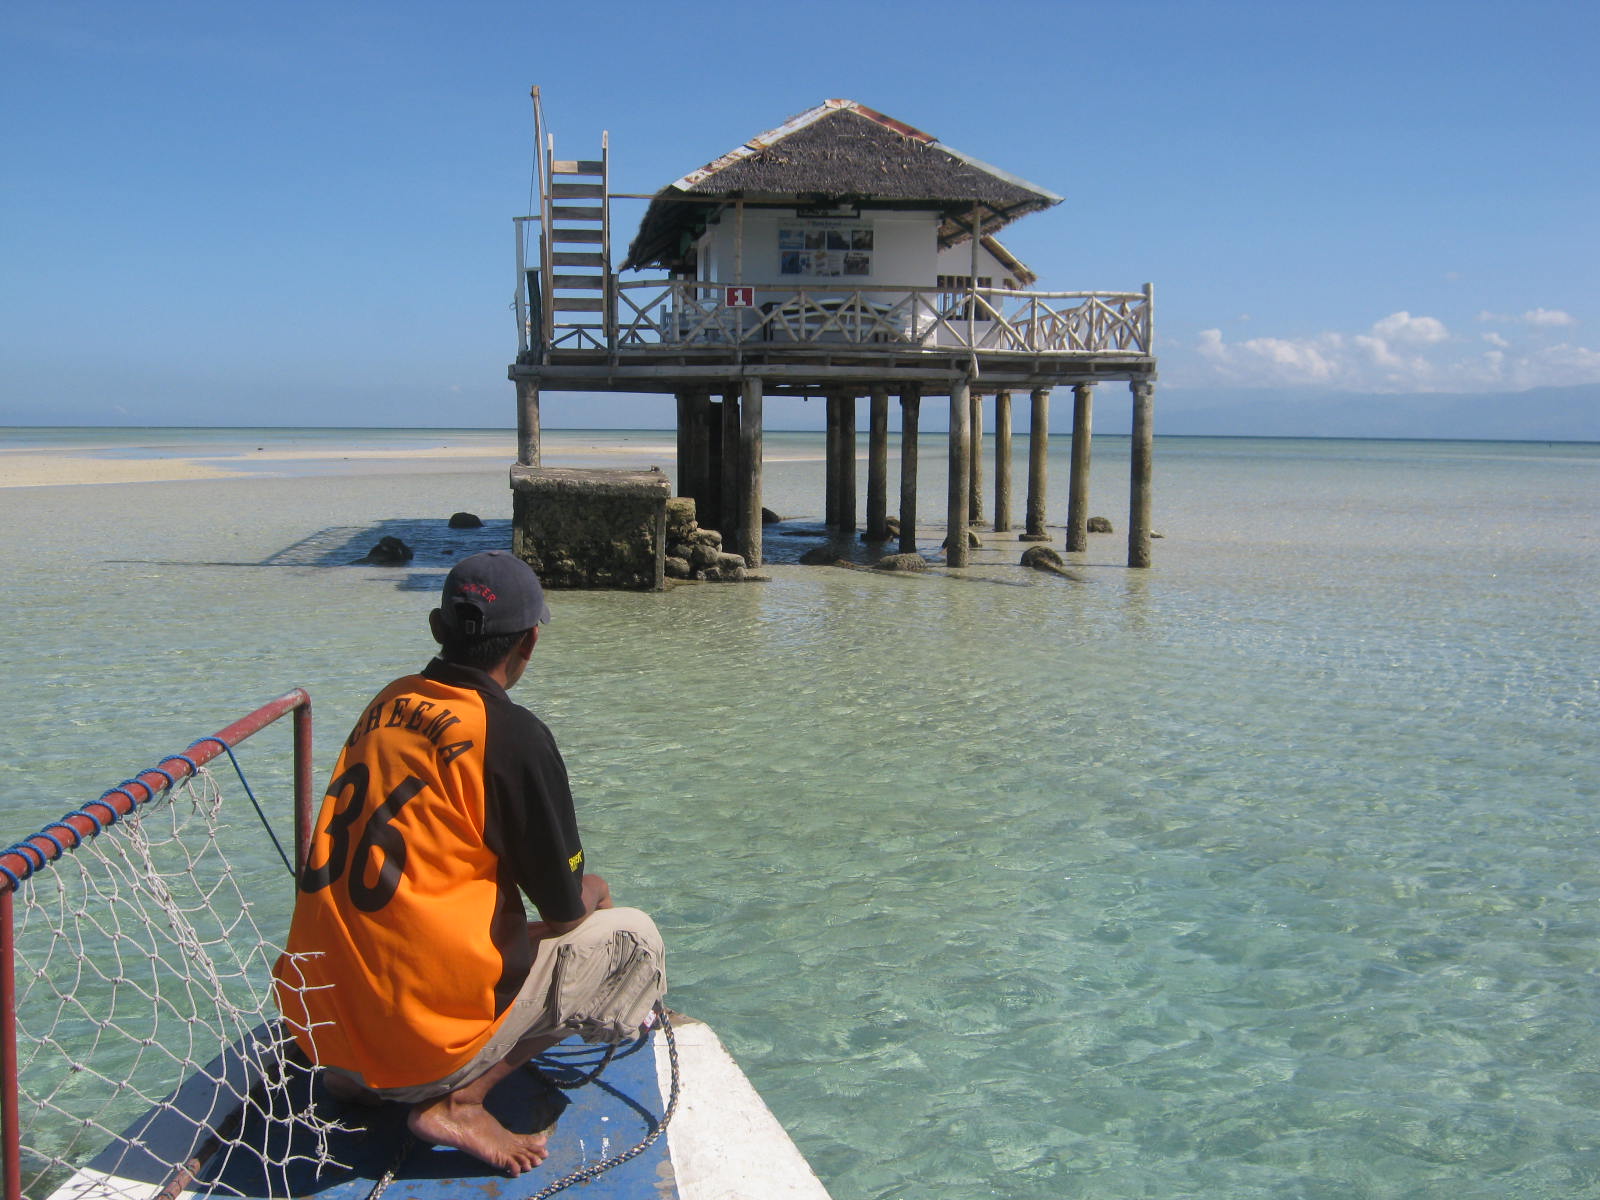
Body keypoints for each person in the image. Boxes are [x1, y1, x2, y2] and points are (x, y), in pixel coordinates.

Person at [273, 550, 666, 1176]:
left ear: (437, 629)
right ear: (530, 642)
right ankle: (460, 1100)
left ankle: (372, 1079)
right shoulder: (509, 735)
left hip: (319, 1040)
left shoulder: (387, 701)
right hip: (414, 1060)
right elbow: (564, 915)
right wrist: (594, 890)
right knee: (631, 941)